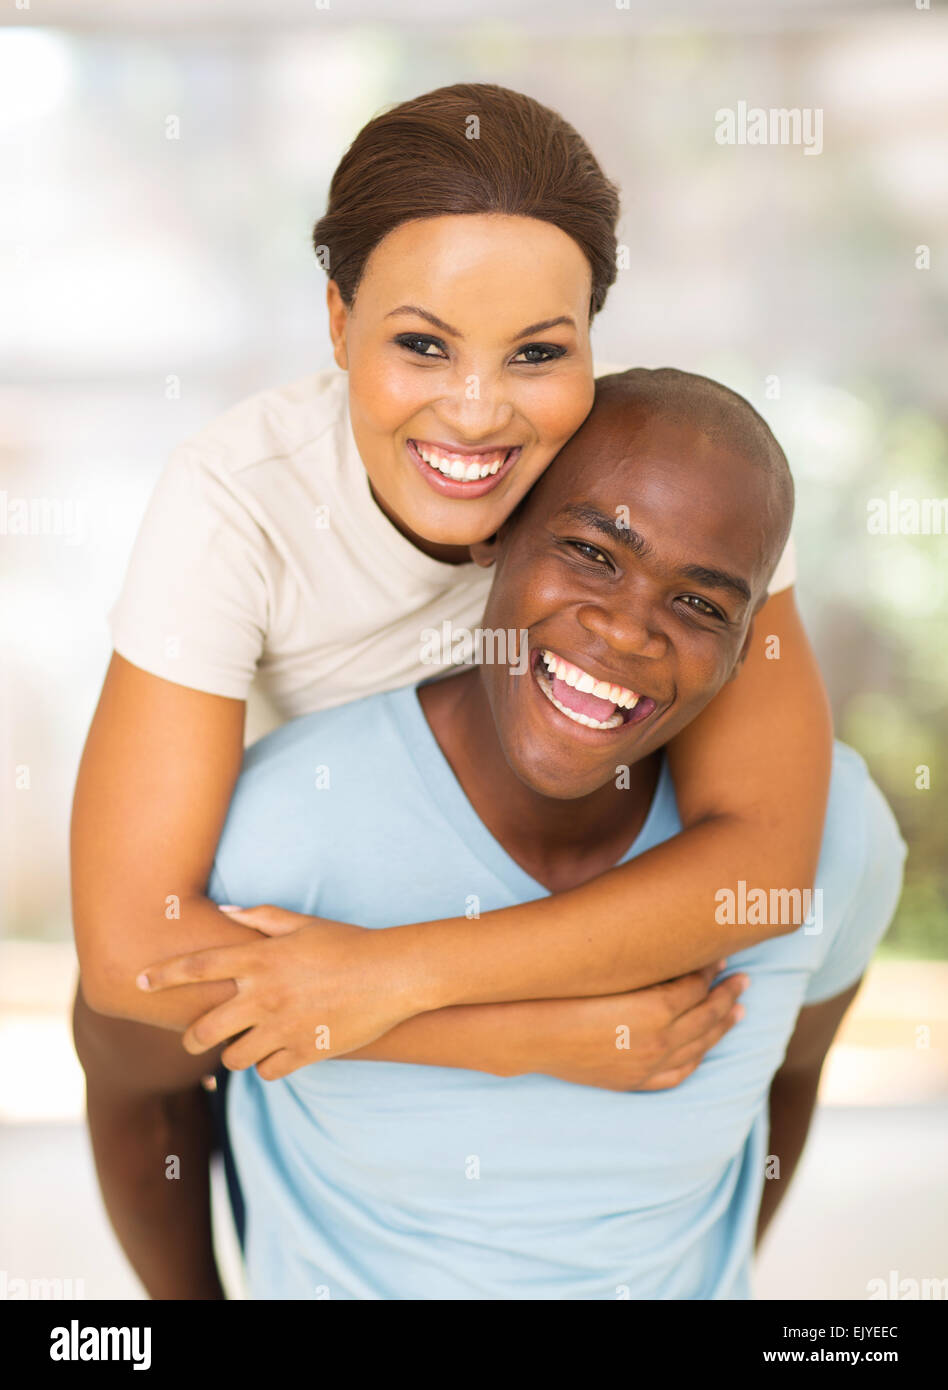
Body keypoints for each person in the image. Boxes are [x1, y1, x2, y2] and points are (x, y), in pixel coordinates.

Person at [71, 85, 829, 1301]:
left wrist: (404, 975)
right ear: (337, 320)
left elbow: (772, 857)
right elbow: (127, 951)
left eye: (538, 351)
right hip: (314, 877)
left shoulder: (655, 469)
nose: (477, 412)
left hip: (544, 825)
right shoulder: (235, 499)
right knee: (115, 1031)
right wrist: (515, 1029)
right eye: (421, 343)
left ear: (590, 335)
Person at [137, 368, 906, 1298]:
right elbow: (132, 1082)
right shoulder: (280, 829)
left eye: (700, 604)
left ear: (747, 652)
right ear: (495, 536)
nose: (627, 633)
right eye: (591, 552)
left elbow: (789, 1080)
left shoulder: (837, 840)